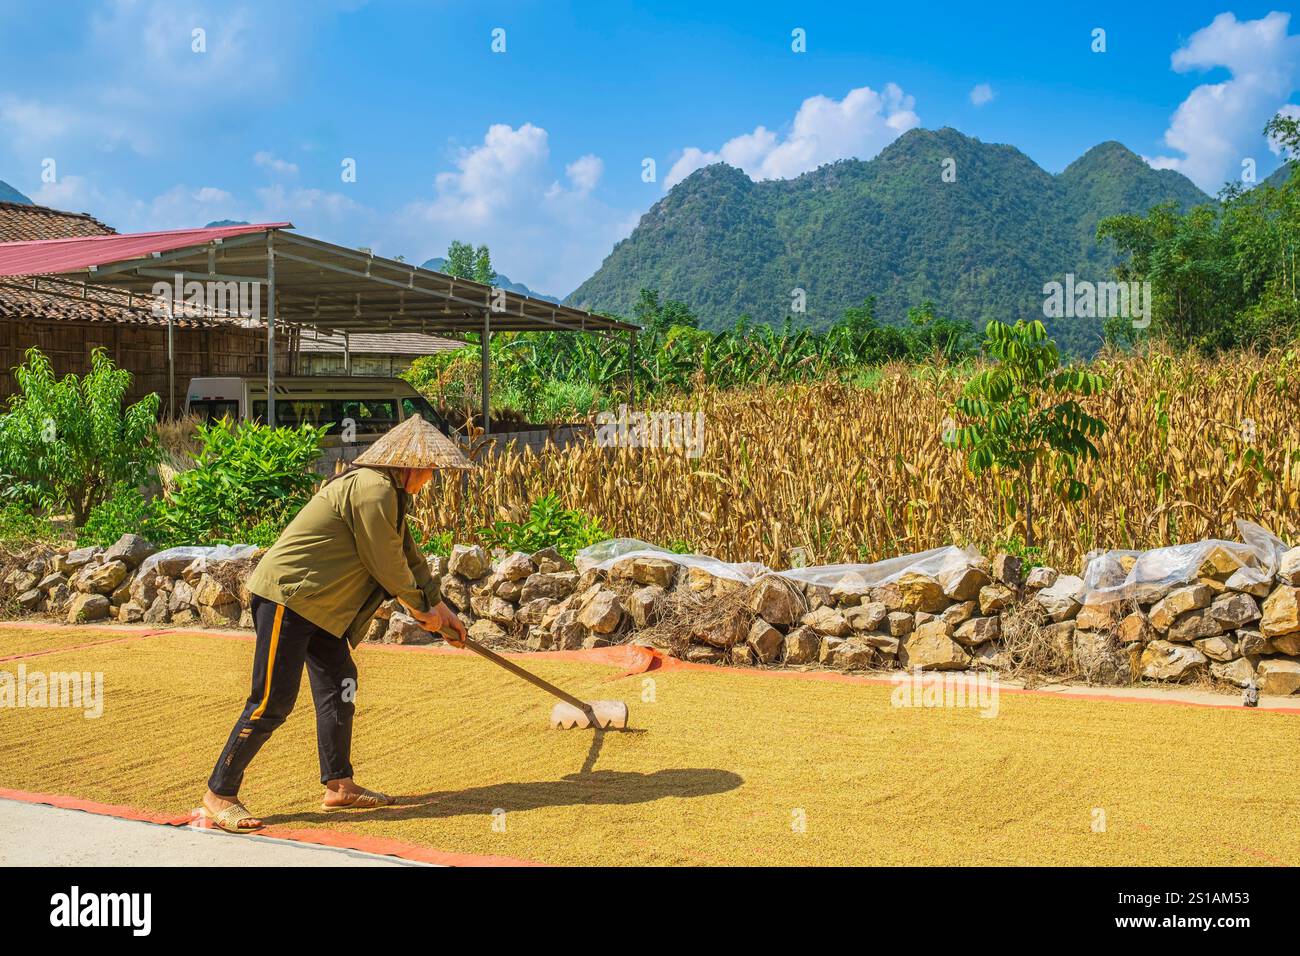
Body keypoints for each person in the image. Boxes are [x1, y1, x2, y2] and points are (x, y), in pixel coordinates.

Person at [201, 414, 470, 834]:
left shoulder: (394, 496)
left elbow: (412, 558)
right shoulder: (374, 490)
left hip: (320, 609)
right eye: (431, 470)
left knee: (340, 681)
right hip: (288, 598)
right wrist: (424, 612)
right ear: (410, 465)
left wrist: (442, 607)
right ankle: (220, 793)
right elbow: (389, 567)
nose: (432, 478)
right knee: (272, 700)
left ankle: (339, 784)